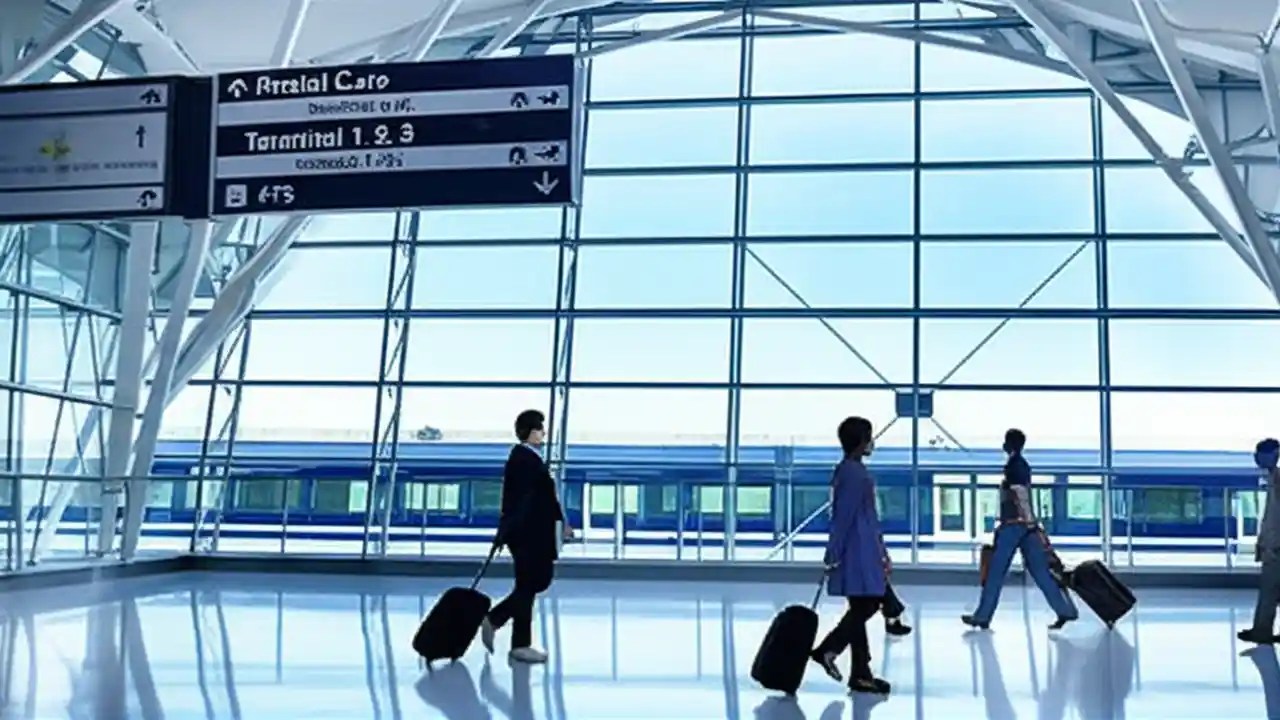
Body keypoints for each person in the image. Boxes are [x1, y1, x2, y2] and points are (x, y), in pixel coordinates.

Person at [961, 428, 1077, 631]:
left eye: (1005, 441)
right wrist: (1032, 524)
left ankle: (983, 616)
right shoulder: (1023, 465)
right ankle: (1064, 610)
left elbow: (1019, 493)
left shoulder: (1013, 466)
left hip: (1013, 525)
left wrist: (1028, 520)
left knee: (995, 570)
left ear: (1010, 444)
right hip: (1026, 526)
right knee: (1040, 571)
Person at [481, 410, 573, 664]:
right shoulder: (523, 459)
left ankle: (517, 642)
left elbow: (543, 497)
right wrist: (512, 531)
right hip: (528, 534)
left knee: (529, 585)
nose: (544, 434)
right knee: (534, 582)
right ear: (531, 431)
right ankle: (497, 622)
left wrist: (562, 522)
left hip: (530, 532)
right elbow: (524, 500)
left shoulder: (529, 458)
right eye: (541, 429)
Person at [809, 416, 893, 695]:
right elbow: (843, 517)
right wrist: (834, 551)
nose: (872, 442)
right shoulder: (854, 474)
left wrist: (883, 551)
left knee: (860, 607)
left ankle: (861, 674)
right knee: (867, 605)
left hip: (863, 548)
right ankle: (828, 649)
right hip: (858, 551)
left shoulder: (851, 470)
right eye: (869, 437)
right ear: (859, 441)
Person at [1240, 437, 1280, 644]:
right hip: (1273, 545)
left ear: (1273, 454)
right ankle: (1261, 630)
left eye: (1260, 454)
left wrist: (1272, 543)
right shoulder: (1273, 478)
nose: (1256, 459)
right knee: (1270, 591)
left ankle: (1262, 631)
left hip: (1277, 548)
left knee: (1269, 590)